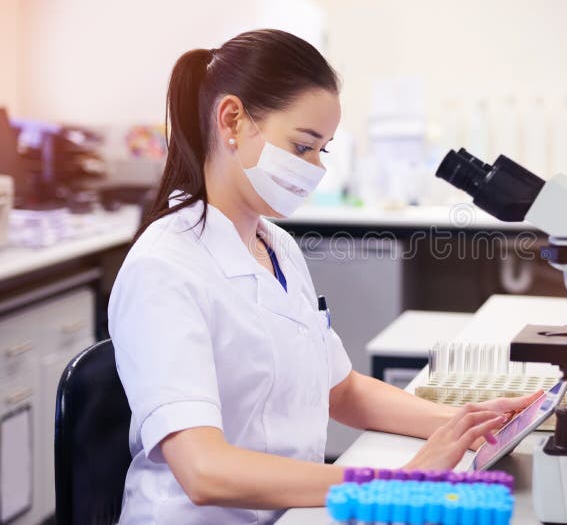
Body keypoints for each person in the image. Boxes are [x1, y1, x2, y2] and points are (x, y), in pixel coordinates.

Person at [109, 29, 538, 524]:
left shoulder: (276, 246)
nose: (315, 169)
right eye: (302, 146)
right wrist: (392, 483)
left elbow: (341, 390)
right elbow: (204, 472)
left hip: (289, 512)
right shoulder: (164, 268)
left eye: (323, 151)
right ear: (231, 120)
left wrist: (471, 425)